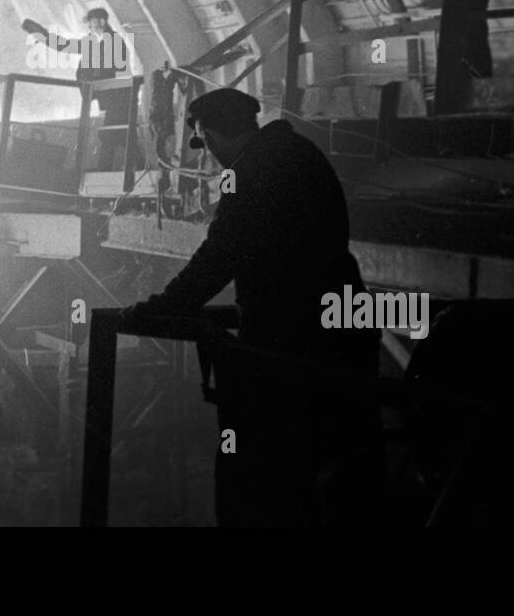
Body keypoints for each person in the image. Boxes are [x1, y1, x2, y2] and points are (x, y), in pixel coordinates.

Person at [122, 88, 383, 525]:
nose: (208, 156)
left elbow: (221, 253)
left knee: (269, 473)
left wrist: (162, 306)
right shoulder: (297, 151)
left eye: (204, 142)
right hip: (340, 334)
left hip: (291, 346)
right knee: (346, 465)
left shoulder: (253, 169)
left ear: (210, 132)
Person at [22, 8, 133, 169]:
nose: (88, 24)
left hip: (120, 98)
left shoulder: (114, 42)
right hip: (112, 99)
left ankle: (107, 172)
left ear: (102, 21)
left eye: (91, 21)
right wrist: (37, 32)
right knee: (117, 135)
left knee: (111, 135)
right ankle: (126, 167)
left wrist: (91, 79)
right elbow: (63, 45)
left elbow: (112, 71)